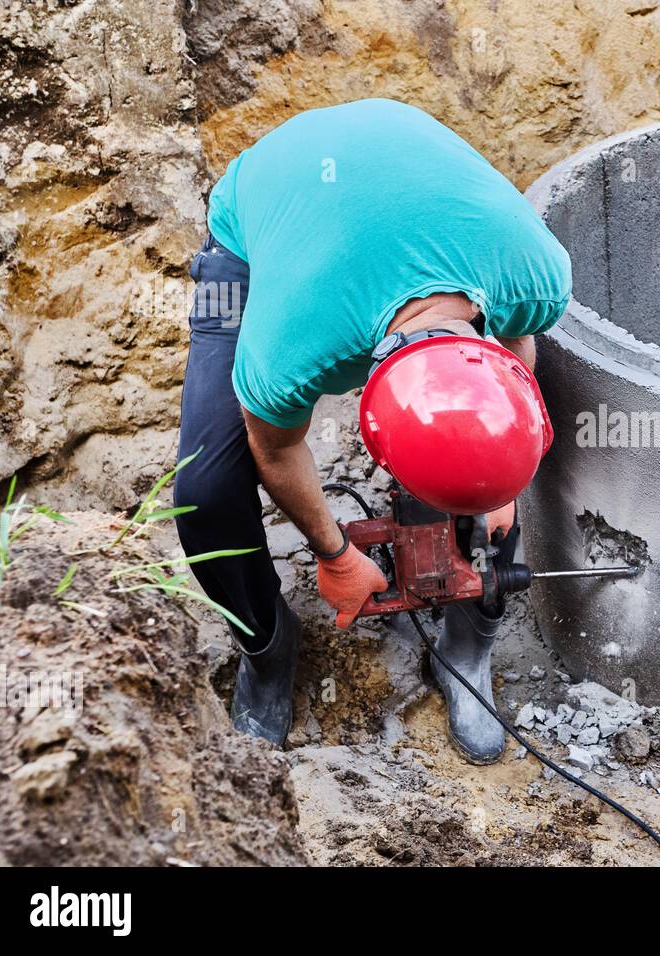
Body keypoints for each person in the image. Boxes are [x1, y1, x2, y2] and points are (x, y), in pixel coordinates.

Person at [173, 99, 572, 764]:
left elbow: (518, 344)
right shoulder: (296, 342)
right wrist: (334, 553)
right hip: (261, 213)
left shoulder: (537, 272)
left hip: (400, 156)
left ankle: (464, 650)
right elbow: (275, 446)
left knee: (485, 467)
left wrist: (501, 485)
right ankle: (267, 649)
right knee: (204, 492)